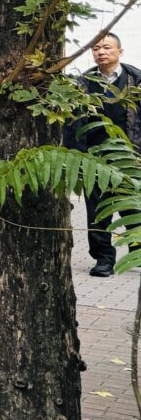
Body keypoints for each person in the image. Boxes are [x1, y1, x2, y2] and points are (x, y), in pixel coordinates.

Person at [73, 33, 141, 277]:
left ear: (120, 51)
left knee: (133, 208)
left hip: (130, 158)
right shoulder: (83, 84)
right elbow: (73, 125)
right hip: (94, 161)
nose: (101, 51)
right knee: (98, 212)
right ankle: (103, 259)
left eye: (107, 47)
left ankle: (137, 251)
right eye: (96, 48)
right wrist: (78, 157)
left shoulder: (136, 81)